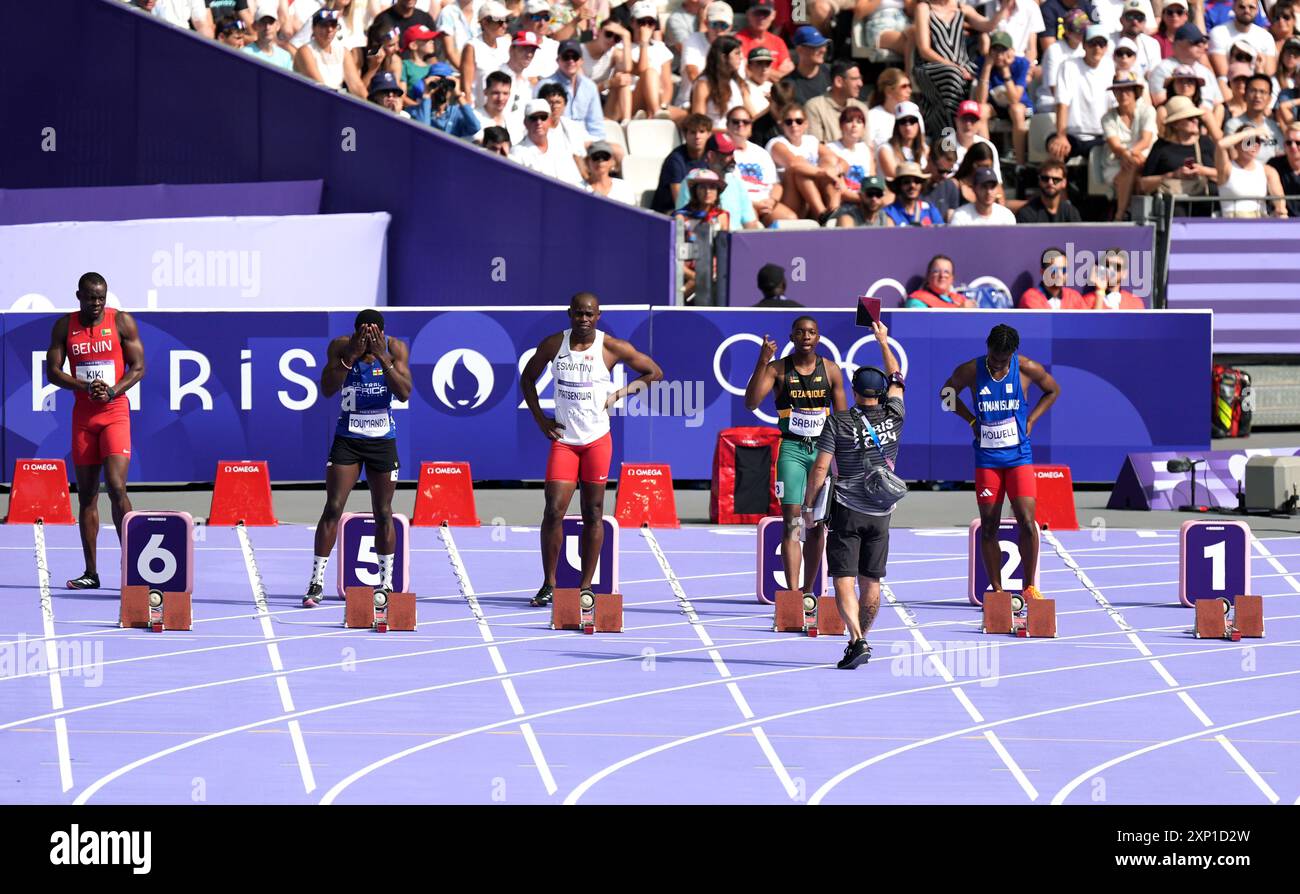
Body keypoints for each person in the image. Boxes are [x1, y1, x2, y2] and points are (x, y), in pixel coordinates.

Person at [521, 293, 662, 608]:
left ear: (598, 316)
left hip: (597, 441)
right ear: (569, 314)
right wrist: (540, 420)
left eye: (589, 315)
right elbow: (527, 378)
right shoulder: (553, 344)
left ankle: (586, 586)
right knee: (553, 510)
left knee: (594, 512)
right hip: (565, 441)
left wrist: (619, 394)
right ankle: (549, 583)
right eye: (578, 314)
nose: (583, 320)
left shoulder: (611, 346)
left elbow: (654, 373)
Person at [800, 321, 907, 670]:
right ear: (883, 392)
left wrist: (808, 506)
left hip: (847, 509)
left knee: (843, 579)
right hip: (882, 512)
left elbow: (819, 469)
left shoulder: (838, 422)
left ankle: (856, 639)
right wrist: (883, 341)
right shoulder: (895, 415)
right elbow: (897, 375)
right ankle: (861, 639)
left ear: (854, 389)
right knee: (871, 582)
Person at [941, 324, 1060, 605]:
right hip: (987, 460)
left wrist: (1031, 420)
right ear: (987, 349)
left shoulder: (1027, 368)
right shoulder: (971, 370)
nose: (997, 365)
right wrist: (970, 419)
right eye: (993, 359)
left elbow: (1053, 391)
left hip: (1019, 456)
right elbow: (946, 396)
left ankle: (1030, 587)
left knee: (1028, 522)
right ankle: (997, 591)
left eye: (1003, 361)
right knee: (989, 525)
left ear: (1013, 354)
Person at [304, 310, 412, 606]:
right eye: (363, 335)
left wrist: (382, 357)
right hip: (348, 440)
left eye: (374, 335)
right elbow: (326, 388)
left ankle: (386, 584)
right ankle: (315, 582)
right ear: (355, 333)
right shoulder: (341, 346)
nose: (368, 341)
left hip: (382, 442)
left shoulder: (394, 348)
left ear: (382, 334)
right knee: (333, 507)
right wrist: (349, 356)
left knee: (384, 512)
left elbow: (404, 394)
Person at [46, 274, 146, 591]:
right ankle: (91, 572)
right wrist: (85, 387)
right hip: (84, 418)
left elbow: (138, 367)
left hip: (114, 413)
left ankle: (133, 565)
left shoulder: (122, 322)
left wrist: (113, 391)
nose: (97, 303)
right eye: (91, 298)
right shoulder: (65, 326)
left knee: (116, 487)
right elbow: (53, 372)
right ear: (79, 296)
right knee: (87, 495)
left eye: (101, 297)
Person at [745, 317, 849, 613]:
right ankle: (792, 596)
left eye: (812, 332)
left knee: (816, 525)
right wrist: (762, 360)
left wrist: (844, 465)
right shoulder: (778, 370)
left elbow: (842, 421)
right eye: (800, 332)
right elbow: (751, 402)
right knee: (791, 521)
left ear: (819, 337)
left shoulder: (830, 371)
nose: (806, 336)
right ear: (792, 336)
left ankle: (808, 592)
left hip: (822, 451)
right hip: (790, 447)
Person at [912, 0, 1010, 136]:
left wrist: (1004, 7)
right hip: (931, 66)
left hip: (962, 68)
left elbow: (988, 26)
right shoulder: (924, 8)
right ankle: (948, 139)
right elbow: (924, 50)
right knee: (952, 76)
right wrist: (954, 66)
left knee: (973, 80)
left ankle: (957, 139)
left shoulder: (962, 9)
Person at [1138, 95, 1219, 213]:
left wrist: (1202, 171)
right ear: (1175, 124)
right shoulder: (1161, 147)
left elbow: (1225, 175)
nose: (1195, 121)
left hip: (1206, 206)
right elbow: (1143, 184)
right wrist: (1172, 175)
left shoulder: (1206, 143)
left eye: (1196, 117)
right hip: (1174, 211)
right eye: (1189, 118)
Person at [1048, 25, 1116, 163]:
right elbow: (1062, 103)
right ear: (1084, 45)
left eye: (1101, 44)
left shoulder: (1110, 66)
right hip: (1072, 135)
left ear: (1106, 47)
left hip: (1102, 136)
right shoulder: (1068, 66)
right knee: (1056, 148)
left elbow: (1112, 105)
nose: (1097, 48)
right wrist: (1061, 136)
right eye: (1092, 43)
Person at [766, 103, 842, 222]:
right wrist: (825, 173)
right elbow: (793, 163)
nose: (794, 125)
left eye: (799, 121)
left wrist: (834, 170)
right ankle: (821, 213)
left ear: (806, 124)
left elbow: (840, 161)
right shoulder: (776, 144)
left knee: (829, 162)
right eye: (789, 122)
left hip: (812, 196)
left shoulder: (811, 141)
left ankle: (834, 209)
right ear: (782, 125)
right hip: (790, 200)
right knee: (800, 169)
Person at [1100, 71, 1156, 218]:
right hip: (1117, 163)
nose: (1123, 94)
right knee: (1134, 166)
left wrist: (1128, 155)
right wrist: (1128, 156)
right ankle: (1126, 214)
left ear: (1135, 92)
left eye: (1127, 90)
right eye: (1118, 90)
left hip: (1140, 159)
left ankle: (1120, 214)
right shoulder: (1107, 117)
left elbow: (1146, 141)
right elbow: (1115, 146)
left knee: (1134, 164)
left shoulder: (1148, 111)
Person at [727, 106, 797, 225]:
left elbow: (776, 185)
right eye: (736, 122)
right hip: (741, 203)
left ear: (751, 127)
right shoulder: (723, 153)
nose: (741, 125)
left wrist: (772, 201)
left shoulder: (761, 152)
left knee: (790, 220)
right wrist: (753, 204)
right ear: (727, 126)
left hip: (766, 202)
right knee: (751, 220)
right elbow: (727, 188)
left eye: (745, 122)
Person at [976, 31, 1032, 164]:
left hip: (1020, 107)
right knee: (981, 110)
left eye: (1003, 50)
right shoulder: (983, 63)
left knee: (1016, 110)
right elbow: (980, 100)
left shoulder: (1021, 63)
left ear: (1011, 51)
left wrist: (1006, 70)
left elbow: (1015, 99)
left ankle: (1020, 163)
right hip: (996, 106)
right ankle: (986, 161)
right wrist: (988, 67)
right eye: (995, 50)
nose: (999, 55)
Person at [1216, 123, 1290, 214]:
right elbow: (1221, 144)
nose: (1254, 145)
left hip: (1259, 223)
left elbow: (1281, 207)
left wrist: (1280, 212)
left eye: (1257, 141)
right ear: (1236, 144)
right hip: (1233, 224)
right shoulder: (1227, 169)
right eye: (1249, 141)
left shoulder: (1268, 171)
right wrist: (1251, 132)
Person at [512, 97, 585, 185]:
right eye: (533, 118)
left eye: (543, 117)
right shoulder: (517, 153)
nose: (539, 122)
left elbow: (576, 182)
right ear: (525, 122)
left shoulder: (560, 147)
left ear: (550, 120)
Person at [653, 112, 712, 211]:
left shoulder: (711, 156)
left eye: (702, 131)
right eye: (693, 132)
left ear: (709, 134)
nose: (697, 136)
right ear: (685, 135)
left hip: (698, 211)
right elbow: (680, 203)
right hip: (668, 214)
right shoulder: (675, 160)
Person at [1208, 0, 1277, 81]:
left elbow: (1269, 74)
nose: (1247, 10)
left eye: (1251, 7)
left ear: (1257, 10)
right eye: (1242, 7)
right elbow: (1222, 74)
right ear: (1233, 7)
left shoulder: (1266, 37)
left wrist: (1260, 70)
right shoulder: (1218, 33)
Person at [1224, 73, 1285, 162]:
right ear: (1244, 96)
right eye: (1253, 91)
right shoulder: (1233, 125)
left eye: (1262, 92)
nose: (1257, 96)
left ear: (1270, 99)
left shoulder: (1273, 126)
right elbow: (1235, 158)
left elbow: (1281, 155)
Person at [805, 61, 870, 143]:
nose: (860, 84)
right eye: (855, 79)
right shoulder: (815, 107)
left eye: (860, 78)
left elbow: (867, 146)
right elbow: (816, 147)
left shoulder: (861, 108)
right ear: (838, 81)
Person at [294, 8, 348, 90]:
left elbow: (356, 85)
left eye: (333, 25)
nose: (329, 29)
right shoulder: (305, 51)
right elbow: (321, 88)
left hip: (335, 99)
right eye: (324, 25)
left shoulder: (343, 51)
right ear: (313, 28)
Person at [1016, 158, 1084, 221]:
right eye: (1045, 178)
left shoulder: (1071, 213)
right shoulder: (1026, 213)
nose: (1050, 183)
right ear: (1039, 181)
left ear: (1064, 183)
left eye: (1056, 179)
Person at [1019, 248, 1089, 308]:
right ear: (1043, 272)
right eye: (1054, 270)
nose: (1060, 275)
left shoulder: (1074, 297)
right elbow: (1047, 322)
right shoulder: (1031, 297)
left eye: (1064, 270)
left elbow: (1090, 321)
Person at [877, 100, 930, 180]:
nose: (908, 127)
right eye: (902, 121)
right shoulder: (886, 150)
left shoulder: (925, 149)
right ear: (897, 126)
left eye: (912, 121)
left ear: (919, 124)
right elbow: (896, 178)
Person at [884, 161, 947, 225]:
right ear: (898, 185)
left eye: (917, 181)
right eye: (906, 182)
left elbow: (942, 233)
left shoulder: (929, 209)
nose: (912, 186)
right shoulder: (889, 212)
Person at [950, 166, 1017, 223]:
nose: (989, 191)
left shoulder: (1006, 216)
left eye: (992, 186)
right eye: (984, 186)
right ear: (974, 188)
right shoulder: (960, 216)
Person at [867, 67, 913, 150]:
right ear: (888, 91)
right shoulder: (872, 116)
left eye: (909, 86)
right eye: (904, 86)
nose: (909, 90)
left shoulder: (913, 114)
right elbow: (868, 148)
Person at [788, 26, 834, 105]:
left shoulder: (832, 74)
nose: (823, 50)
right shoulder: (788, 85)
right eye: (816, 47)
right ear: (800, 50)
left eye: (824, 45)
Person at [906, 254, 971, 306]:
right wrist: (961, 311)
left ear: (952, 279)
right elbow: (921, 321)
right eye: (936, 271)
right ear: (928, 276)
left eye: (946, 272)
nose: (942, 275)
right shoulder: (917, 300)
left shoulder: (962, 300)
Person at [243, 3, 294, 69]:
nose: (267, 27)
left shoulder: (285, 57)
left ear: (277, 26)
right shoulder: (244, 54)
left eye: (271, 22)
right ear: (255, 25)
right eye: (263, 22)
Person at [1269, 120, 1300, 216]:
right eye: (1289, 143)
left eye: (1298, 143)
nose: (1293, 146)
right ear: (1284, 145)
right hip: (1284, 223)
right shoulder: (1274, 165)